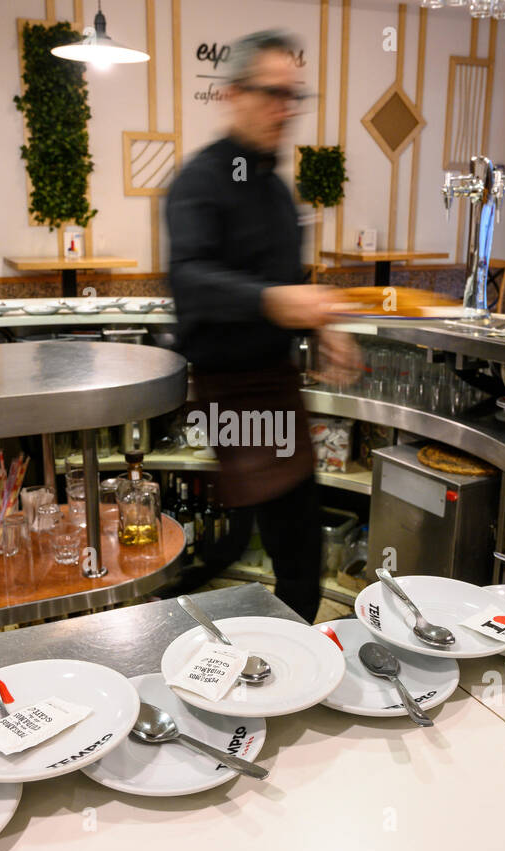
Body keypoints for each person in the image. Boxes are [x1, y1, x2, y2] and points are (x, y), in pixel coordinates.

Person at [166, 30, 358, 623]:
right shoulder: (198, 181)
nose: (285, 108)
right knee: (259, 552)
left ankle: (272, 655)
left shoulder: (273, 186)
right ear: (232, 94)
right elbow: (191, 279)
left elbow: (285, 274)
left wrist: (324, 324)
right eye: (272, 93)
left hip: (277, 384)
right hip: (233, 390)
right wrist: (276, 301)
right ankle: (226, 653)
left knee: (287, 552)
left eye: (293, 95)